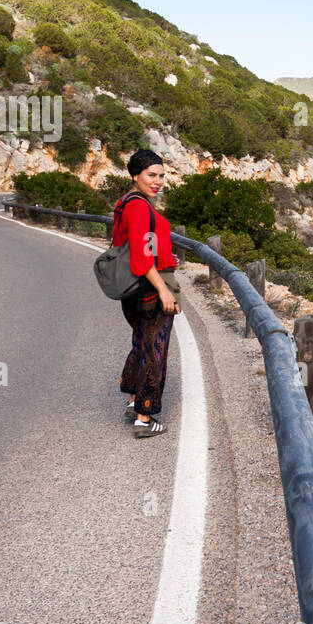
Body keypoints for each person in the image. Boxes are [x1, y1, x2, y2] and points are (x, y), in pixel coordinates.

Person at [113, 149, 180, 439]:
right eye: (151, 175)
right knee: (156, 349)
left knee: (142, 342)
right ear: (135, 176)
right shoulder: (140, 207)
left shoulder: (126, 202)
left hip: (133, 290)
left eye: (162, 175)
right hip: (150, 288)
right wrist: (164, 290)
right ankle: (145, 415)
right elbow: (142, 259)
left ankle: (132, 400)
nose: (158, 181)